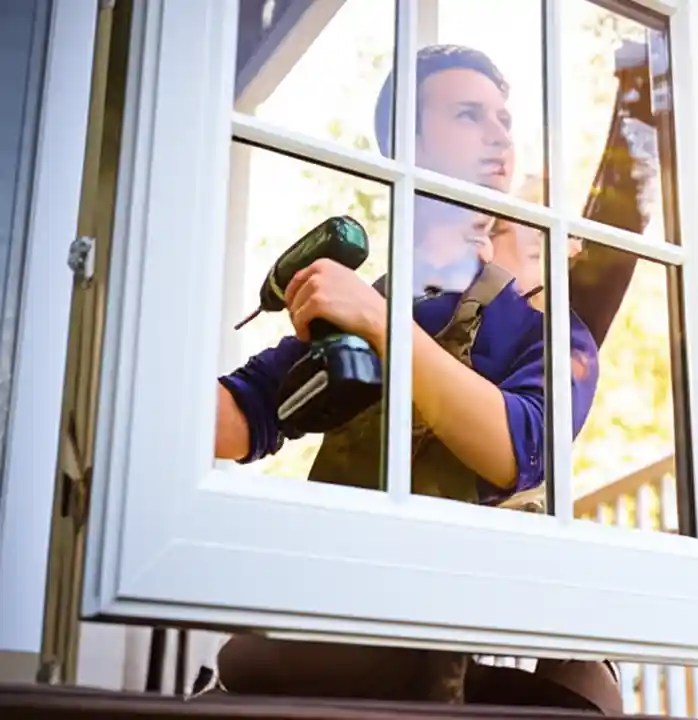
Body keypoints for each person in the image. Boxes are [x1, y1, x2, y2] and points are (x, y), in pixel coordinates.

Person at [206, 44, 604, 705]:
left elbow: (521, 449)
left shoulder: (544, 331)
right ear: (405, 145)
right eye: (471, 115)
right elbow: (236, 418)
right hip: (326, 647)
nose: (500, 135)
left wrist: (378, 321)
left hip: (443, 665)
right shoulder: (347, 310)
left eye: (505, 119)